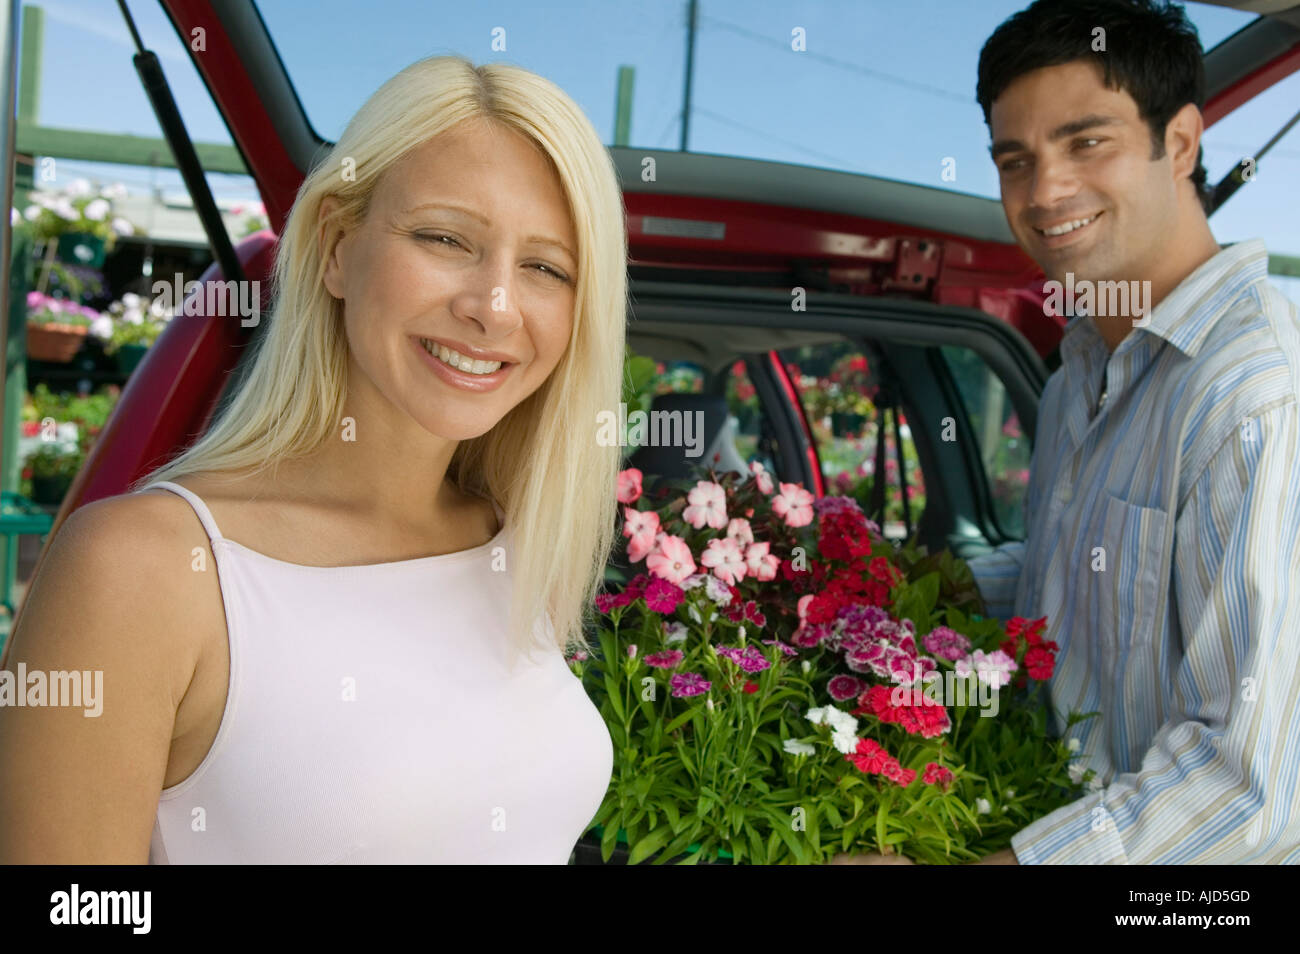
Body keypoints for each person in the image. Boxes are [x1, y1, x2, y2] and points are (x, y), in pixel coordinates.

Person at [0, 55, 628, 863]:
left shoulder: (515, 541)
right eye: (445, 238)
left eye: (545, 267)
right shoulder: (144, 569)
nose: (494, 307)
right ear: (334, 245)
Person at [963, 0, 1300, 863]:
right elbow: (1086, 573)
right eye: (1016, 159)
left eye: (1087, 142)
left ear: (1180, 143)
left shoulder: (1257, 395)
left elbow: (1248, 787)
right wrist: (910, 588)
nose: (1045, 192)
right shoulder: (1082, 368)